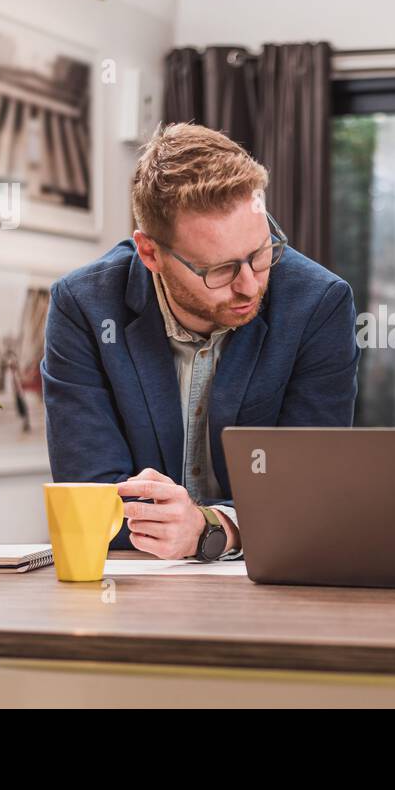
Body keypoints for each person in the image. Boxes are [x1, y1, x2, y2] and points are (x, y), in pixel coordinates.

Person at [42, 123, 358, 560]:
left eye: (262, 252)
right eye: (221, 270)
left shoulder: (318, 303)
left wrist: (211, 528)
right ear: (150, 253)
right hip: (135, 582)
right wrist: (172, 524)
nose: (250, 286)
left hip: (272, 578)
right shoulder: (84, 307)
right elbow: (89, 496)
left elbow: (311, 490)